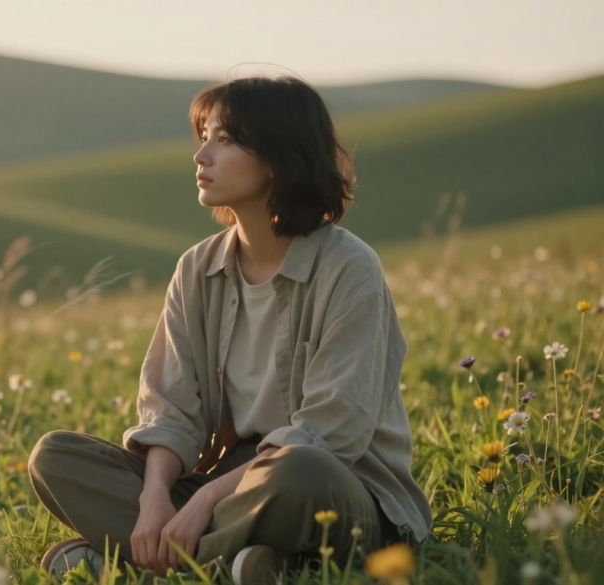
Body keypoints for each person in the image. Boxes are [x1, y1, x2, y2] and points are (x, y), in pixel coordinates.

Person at [27, 74, 433, 584]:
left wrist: (204, 503)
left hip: (333, 489)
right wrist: (155, 500)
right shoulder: (197, 269)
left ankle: (151, 562)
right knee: (56, 458)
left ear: (277, 158)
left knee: (297, 470)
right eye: (203, 139)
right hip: (224, 481)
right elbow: (170, 409)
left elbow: (331, 434)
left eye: (224, 140)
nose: (201, 156)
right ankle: (244, 563)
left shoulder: (349, 268)